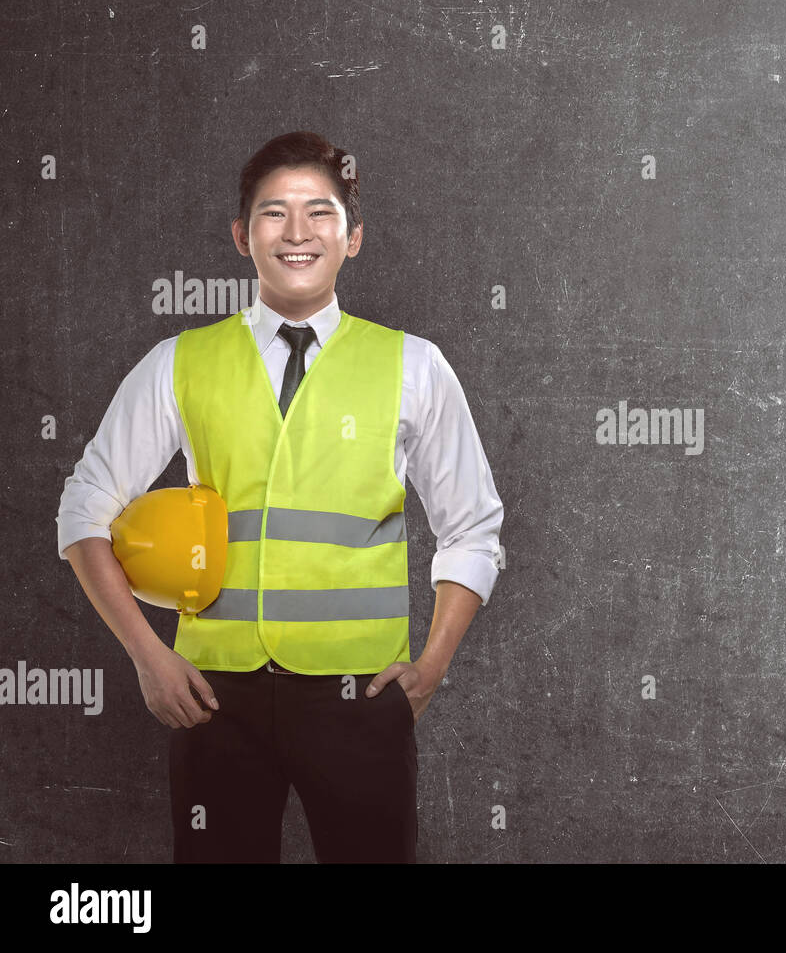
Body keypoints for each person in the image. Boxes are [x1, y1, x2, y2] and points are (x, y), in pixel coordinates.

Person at [56, 130, 504, 863]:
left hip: (359, 699)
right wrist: (148, 656)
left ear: (353, 237)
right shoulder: (181, 362)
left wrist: (431, 667)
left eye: (320, 212)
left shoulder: (414, 367)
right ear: (241, 235)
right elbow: (83, 510)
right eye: (273, 213)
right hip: (211, 699)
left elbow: (473, 531)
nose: (297, 233)